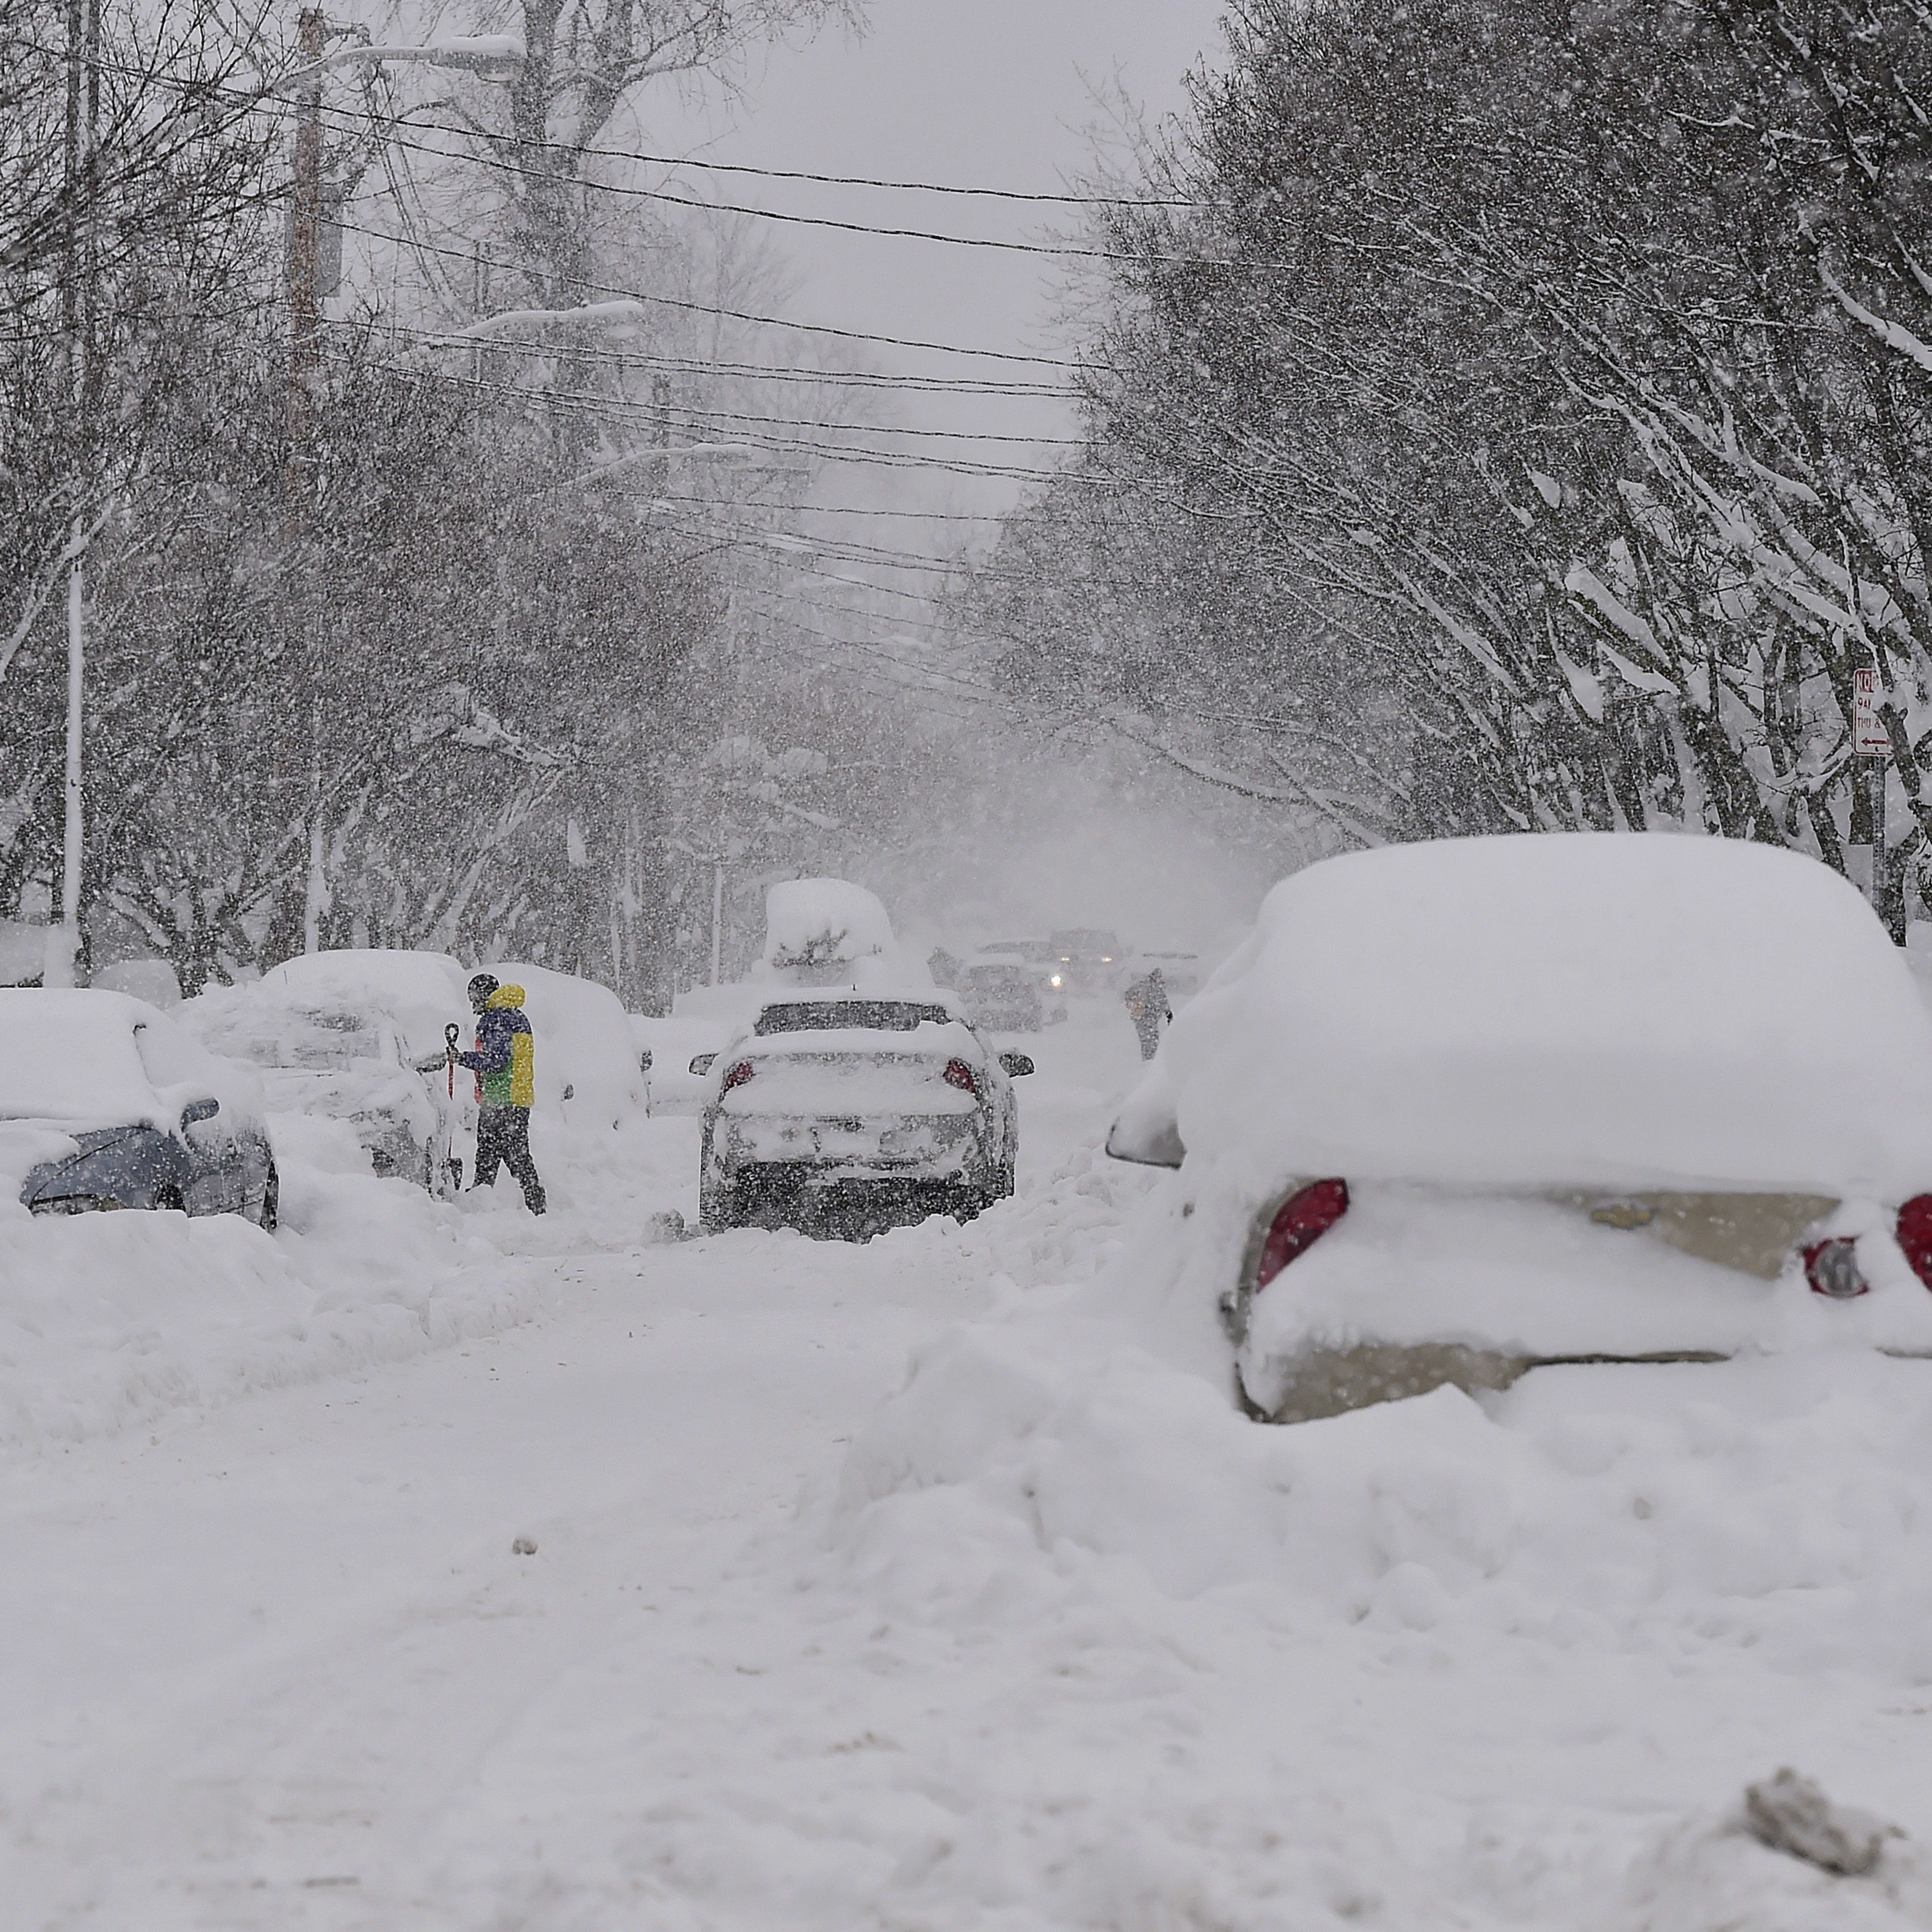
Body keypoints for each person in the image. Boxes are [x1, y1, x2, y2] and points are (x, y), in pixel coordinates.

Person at [450, 972, 546, 1214]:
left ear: (484, 995)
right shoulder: (515, 1016)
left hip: (503, 1099)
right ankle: (531, 1203)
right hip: (515, 1098)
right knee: (508, 1154)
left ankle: (499, 1203)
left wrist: (462, 1058)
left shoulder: (495, 1020)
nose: (472, 1003)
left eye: (474, 997)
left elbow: (496, 1061)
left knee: (495, 1154)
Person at [1122, 965, 1171, 1062]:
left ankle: (1147, 1057)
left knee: (1146, 1039)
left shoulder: (1141, 986)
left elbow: (1128, 995)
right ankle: (1150, 1058)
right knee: (1151, 1039)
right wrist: (1169, 1017)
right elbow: (1165, 1006)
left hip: (1141, 1018)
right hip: (1149, 1018)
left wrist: (1134, 1004)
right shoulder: (1157, 990)